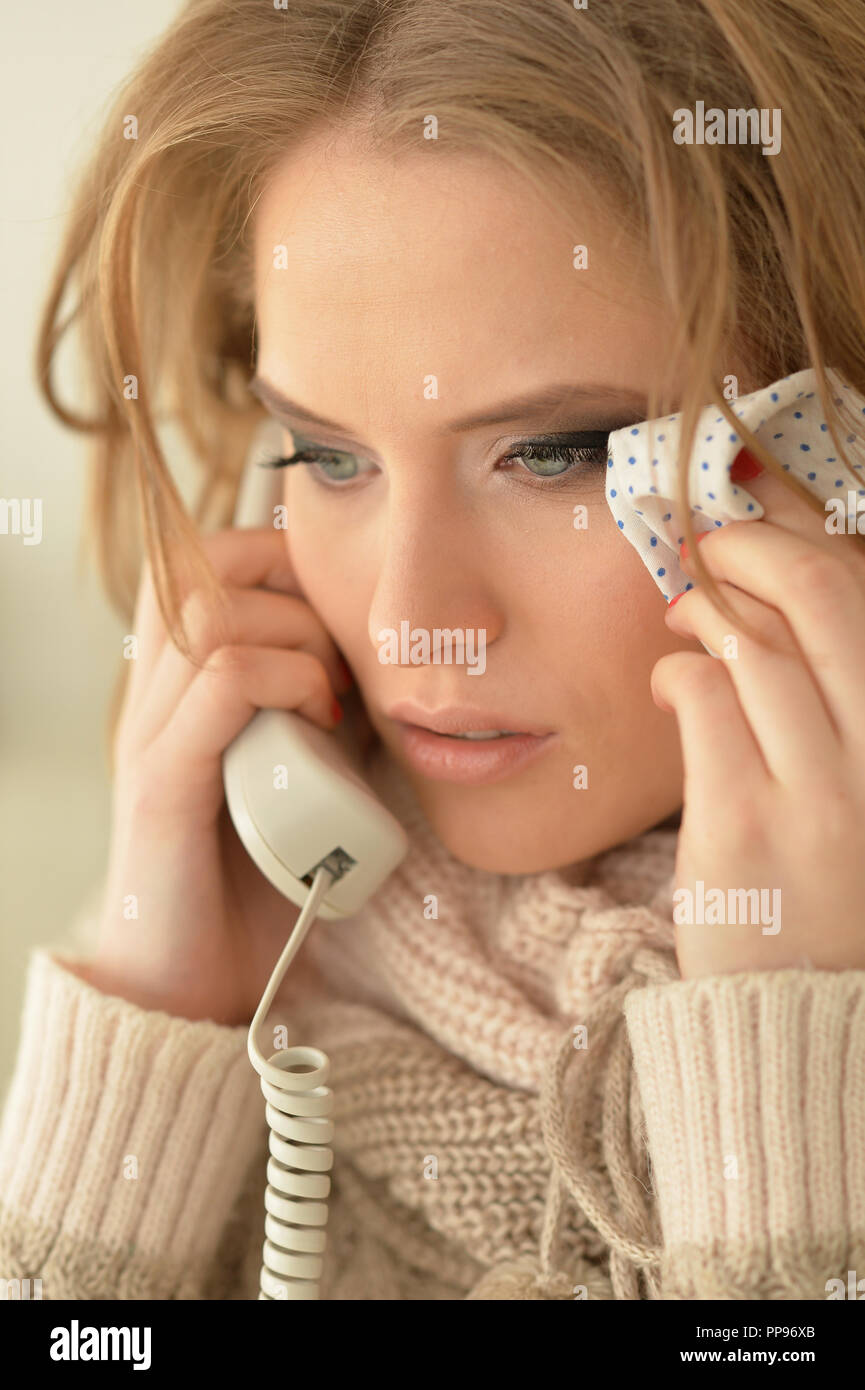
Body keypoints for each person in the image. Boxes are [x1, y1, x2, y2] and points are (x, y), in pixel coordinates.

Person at [1, 0, 864, 1301]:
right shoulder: (268, 962)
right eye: (326, 456)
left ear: (826, 455)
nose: (409, 615)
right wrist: (154, 1013)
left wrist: (793, 1060)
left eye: (557, 453)